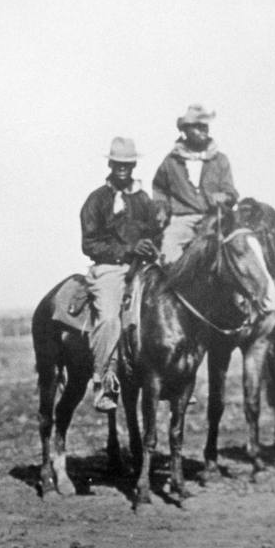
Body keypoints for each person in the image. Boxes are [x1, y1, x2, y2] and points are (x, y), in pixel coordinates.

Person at [80, 138, 163, 412]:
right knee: (109, 318)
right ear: (110, 164)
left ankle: (170, 377)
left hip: (142, 266)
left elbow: (154, 231)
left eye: (127, 164)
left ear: (134, 164)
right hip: (110, 268)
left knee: (166, 308)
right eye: (118, 164)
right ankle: (103, 381)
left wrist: (153, 244)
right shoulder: (97, 200)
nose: (122, 169)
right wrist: (128, 248)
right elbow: (89, 243)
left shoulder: (142, 199)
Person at [152, 104, 239, 263]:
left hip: (215, 218)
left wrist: (225, 197)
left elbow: (230, 190)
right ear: (185, 131)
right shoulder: (171, 162)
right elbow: (159, 188)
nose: (203, 130)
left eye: (205, 126)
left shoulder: (219, 160)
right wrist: (162, 208)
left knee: (242, 248)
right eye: (198, 127)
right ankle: (171, 286)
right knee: (168, 252)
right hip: (184, 219)